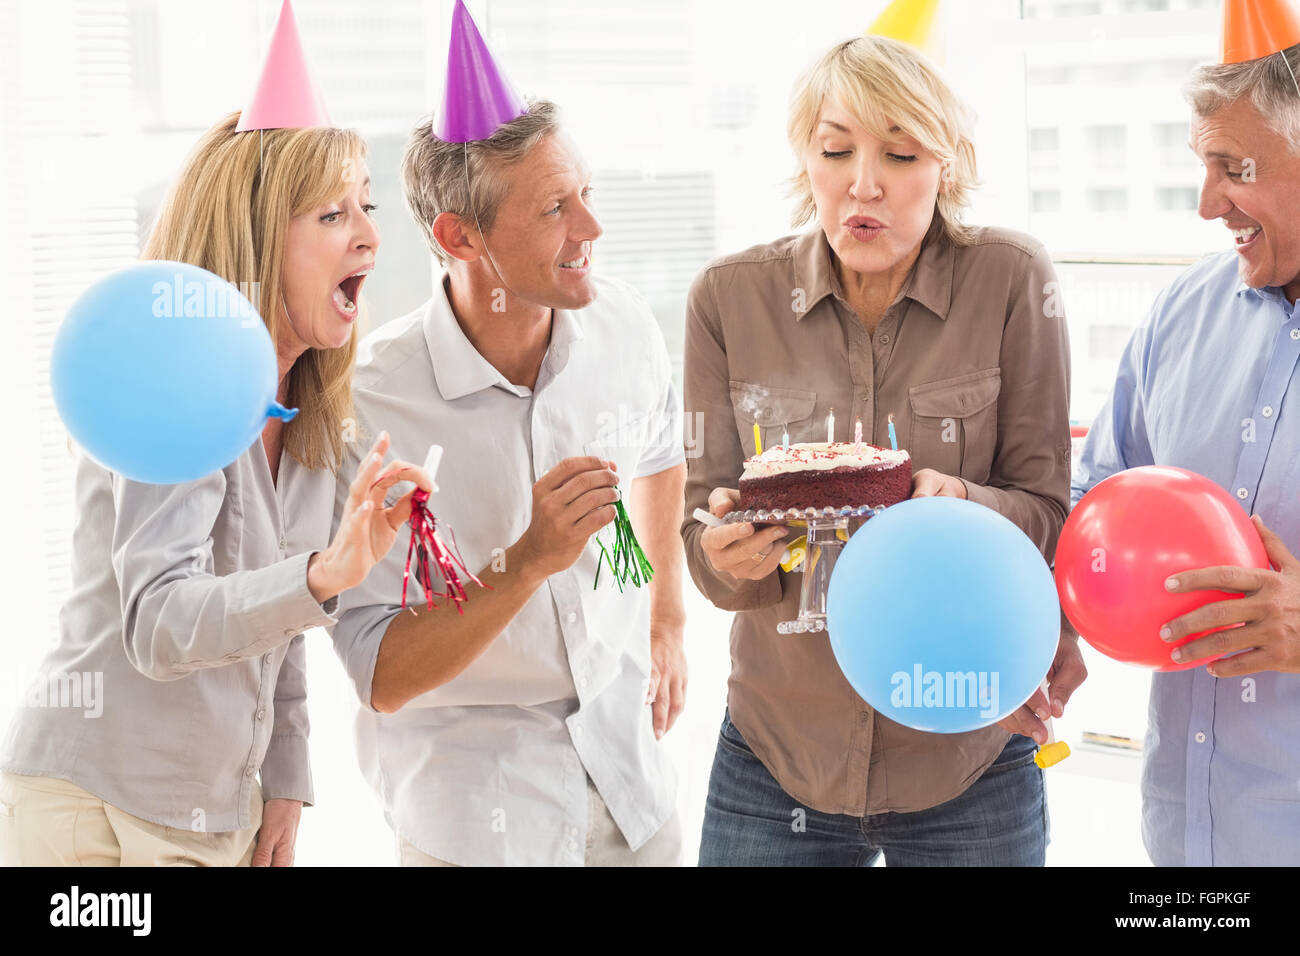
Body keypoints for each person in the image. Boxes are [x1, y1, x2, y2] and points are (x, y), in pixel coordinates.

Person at [681, 34, 1083, 866]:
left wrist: (963, 507)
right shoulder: (728, 298)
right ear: (808, 161)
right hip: (776, 755)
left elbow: (1047, 514)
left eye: (900, 154)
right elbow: (704, 536)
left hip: (969, 751)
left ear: (947, 164)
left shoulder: (1012, 280)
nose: (864, 184)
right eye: (835, 150)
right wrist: (729, 558)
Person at [0, 110, 431, 866]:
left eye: (369, 205)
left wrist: (287, 780)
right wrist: (324, 573)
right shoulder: (174, 377)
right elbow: (159, 622)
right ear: (258, 238)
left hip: (214, 811)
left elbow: (277, 616)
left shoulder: (309, 408)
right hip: (96, 809)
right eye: (334, 213)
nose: (369, 235)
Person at [327, 93, 688, 867]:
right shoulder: (373, 404)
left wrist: (667, 620)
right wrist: (529, 561)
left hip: (637, 797)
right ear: (459, 236)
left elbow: (661, 452)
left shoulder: (625, 329)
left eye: (587, 195)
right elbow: (381, 674)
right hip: (475, 824)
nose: (591, 229)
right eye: (556, 208)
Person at [1073, 39, 1300, 866]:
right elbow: (1095, 501)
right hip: (1184, 838)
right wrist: (1050, 632)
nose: (1209, 205)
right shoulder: (1182, 310)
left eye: (1234, 167)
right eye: (1203, 168)